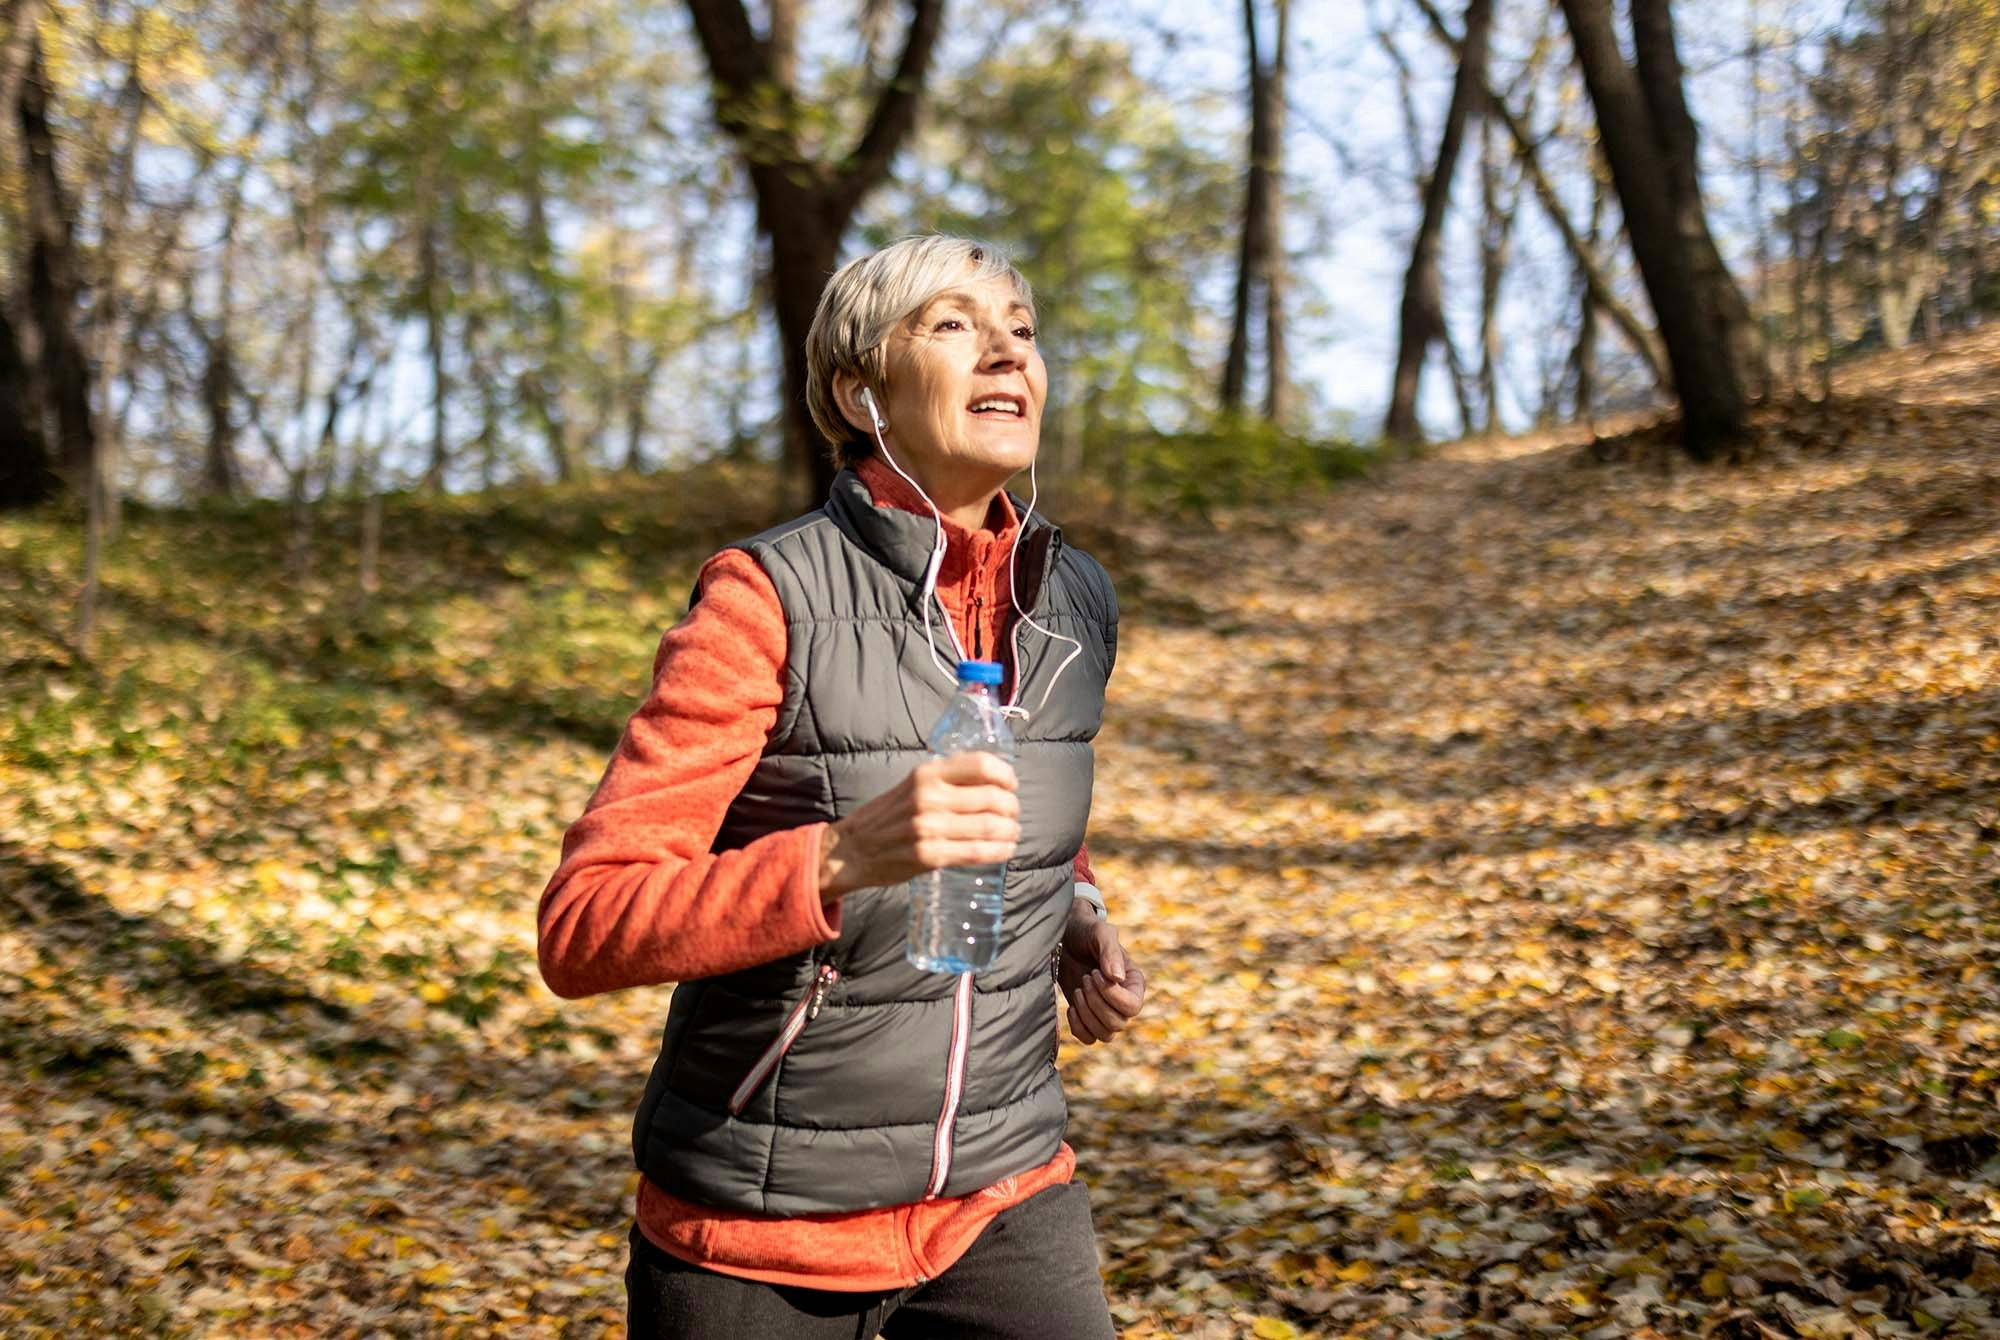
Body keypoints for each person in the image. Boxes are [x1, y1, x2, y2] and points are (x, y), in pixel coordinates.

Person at [536, 234, 1148, 1339]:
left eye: (1020, 326)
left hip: (1006, 1193)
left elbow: (1029, 805)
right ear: (860, 393)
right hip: (759, 1228)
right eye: (955, 324)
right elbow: (585, 926)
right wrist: (838, 856)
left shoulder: (1072, 598)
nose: (1007, 349)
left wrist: (1077, 916)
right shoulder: (763, 596)